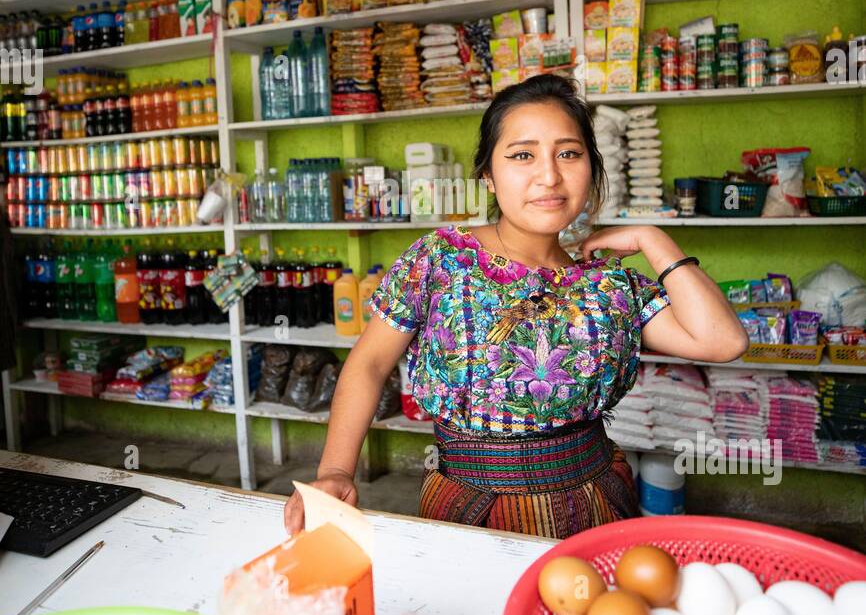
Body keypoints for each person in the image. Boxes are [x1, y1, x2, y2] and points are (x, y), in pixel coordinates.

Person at [284, 74, 747, 538]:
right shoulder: (442, 259)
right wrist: (338, 470)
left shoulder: (609, 285)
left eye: (569, 153)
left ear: (592, 167)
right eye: (522, 155)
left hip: (596, 502)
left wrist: (653, 239)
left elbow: (722, 341)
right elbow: (369, 362)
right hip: (467, 506)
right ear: (487, 174)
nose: (549, 175)